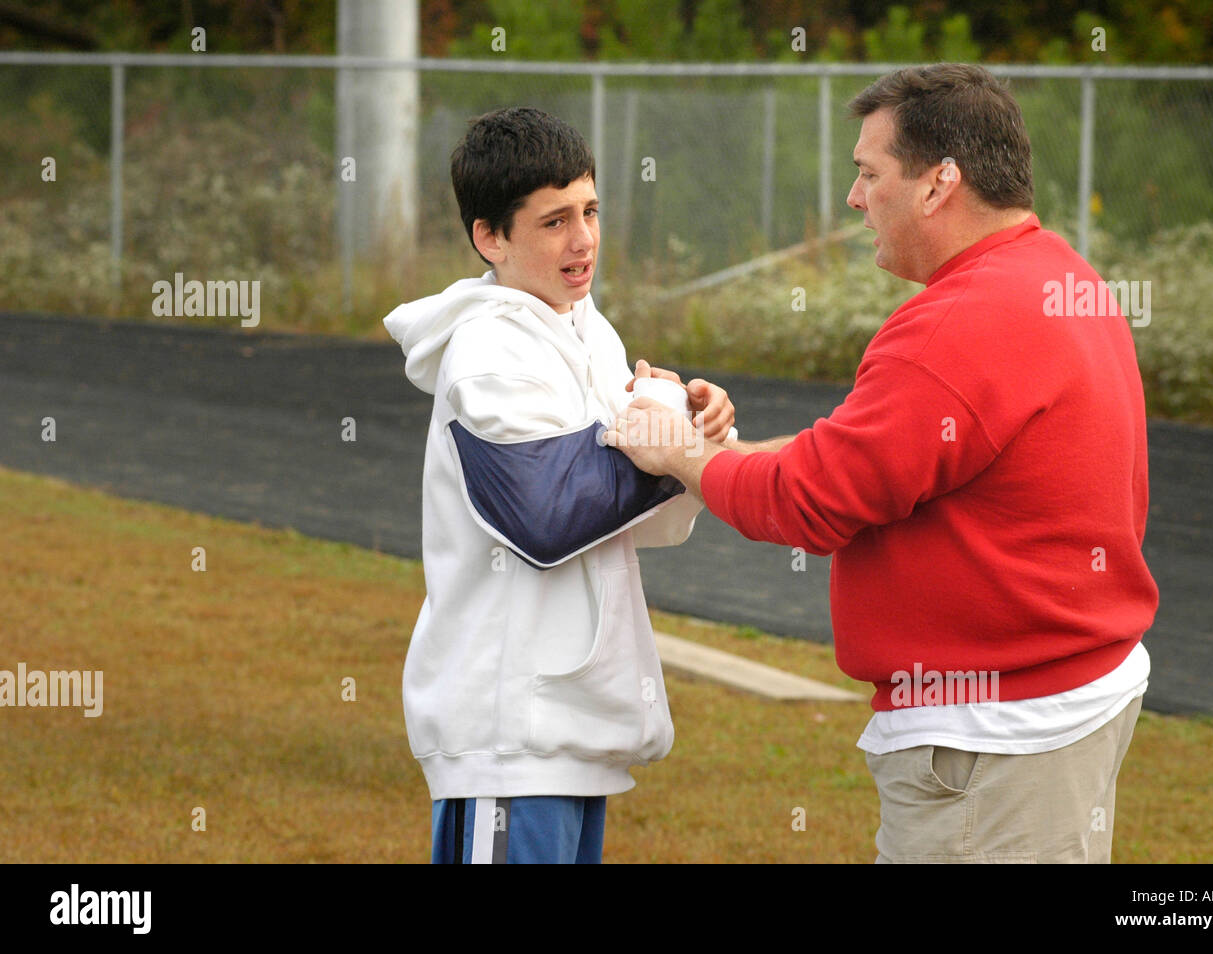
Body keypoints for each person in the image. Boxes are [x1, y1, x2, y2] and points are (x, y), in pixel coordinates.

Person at [608, 64, 1159, 863]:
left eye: (869, 174)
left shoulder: (954, 326)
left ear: (940, 183)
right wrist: (722, 452)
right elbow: (872, 458)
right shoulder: (1055, 276)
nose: (853, 198)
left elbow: (803, 505)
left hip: (992, 740)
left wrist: (679, 455)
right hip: (1063, 701)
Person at [382, 106, 734, 864]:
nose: (583, 240)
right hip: (507, 734)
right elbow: (547, 514)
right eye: (553, 222)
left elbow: (635, 516)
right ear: (490, 238)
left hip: (572, 725)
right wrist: (663, 448)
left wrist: (698, 433)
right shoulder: (486, 350)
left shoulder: (589, 330)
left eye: (590, 210)